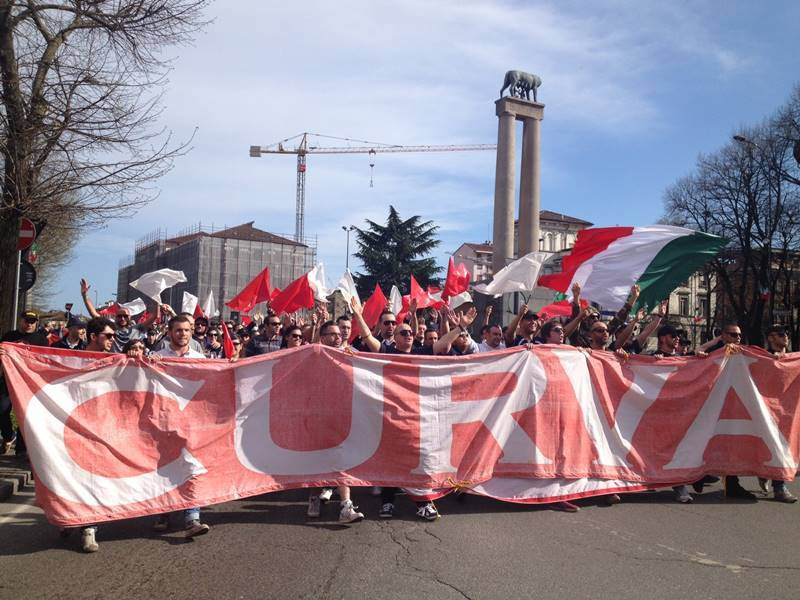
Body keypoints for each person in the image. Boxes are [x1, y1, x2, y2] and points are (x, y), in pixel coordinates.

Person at [152, 315, 212, 536]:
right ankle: (163, 511)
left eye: (187, 330)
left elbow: (211, 383)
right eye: (178, 330)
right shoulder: (156, 358)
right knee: (165, 469)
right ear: (169, 333)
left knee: (191, 467)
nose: (183, 334)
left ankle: (192, 518)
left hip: (191, 423)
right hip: (163, 421)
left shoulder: (199, 358)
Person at [305, 318, 365, 524]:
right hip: (317, 416)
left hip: (343, 417)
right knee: (316, 461)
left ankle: (345, 506)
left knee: (343, 459)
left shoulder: (351, 353)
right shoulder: (313, 355)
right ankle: (313, 498)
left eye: (339, 334)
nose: (337, 337)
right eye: (332, 334)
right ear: (322, 338)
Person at [701, 322, 758, 500]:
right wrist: (711, 345)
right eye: (733, 335)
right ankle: (699, 475)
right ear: (723, 336)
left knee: (731, 446)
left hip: (734, 408)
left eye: (739, 335)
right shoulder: (713, 354)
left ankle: (732, 484)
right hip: (712, 408)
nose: (737, 338)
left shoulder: (743, 355)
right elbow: (697, 353)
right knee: (707, 443)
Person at [1, 311, 49, 456]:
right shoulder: (9, 336)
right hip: (8, 380)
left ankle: (21, 449)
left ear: (36, 323)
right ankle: (9, 435)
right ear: (20, 321)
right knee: (2, 409)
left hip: (28, 382)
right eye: (26, 321)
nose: (29, 324)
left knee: (25, 413)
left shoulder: (41, 340)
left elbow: (44, 361)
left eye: (32, 321)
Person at [761, 324, 798, 503]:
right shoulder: (760, 358)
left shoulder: (794, 359)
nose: (786, 337)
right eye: (781, 334)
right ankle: (779, 487)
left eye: (787, 334)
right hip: (767, 409)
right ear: (770, 338)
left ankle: (772, 478)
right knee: (776, 445)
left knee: (784, 446)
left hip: (789, 411)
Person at [80, 278, 158, 353]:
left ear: (130, 317)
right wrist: (85, 295)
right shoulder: (110, 329)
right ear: (116, 317)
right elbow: (94, 314)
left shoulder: (136, 329)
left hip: (129, 365)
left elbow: (154, 316)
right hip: (112, 364)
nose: (122, 318)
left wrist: (157, 295)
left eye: (125, 316)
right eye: (119, 316)